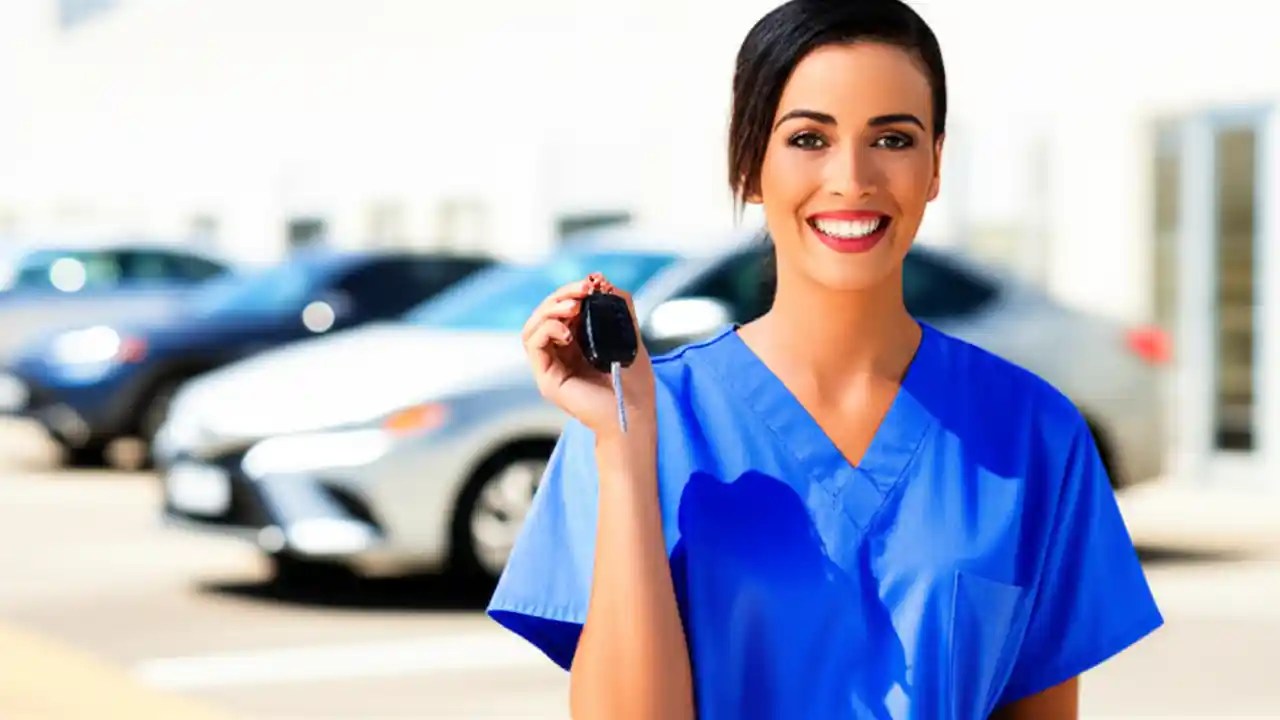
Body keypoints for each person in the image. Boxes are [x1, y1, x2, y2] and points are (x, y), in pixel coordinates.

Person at [487, 0, 1164, 717]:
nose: (852, 177)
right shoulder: (637, 422)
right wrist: (626, 455)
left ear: (936, 165)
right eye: (809, 138)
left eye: (893, 139)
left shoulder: (1034, 435)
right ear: (750, 165)